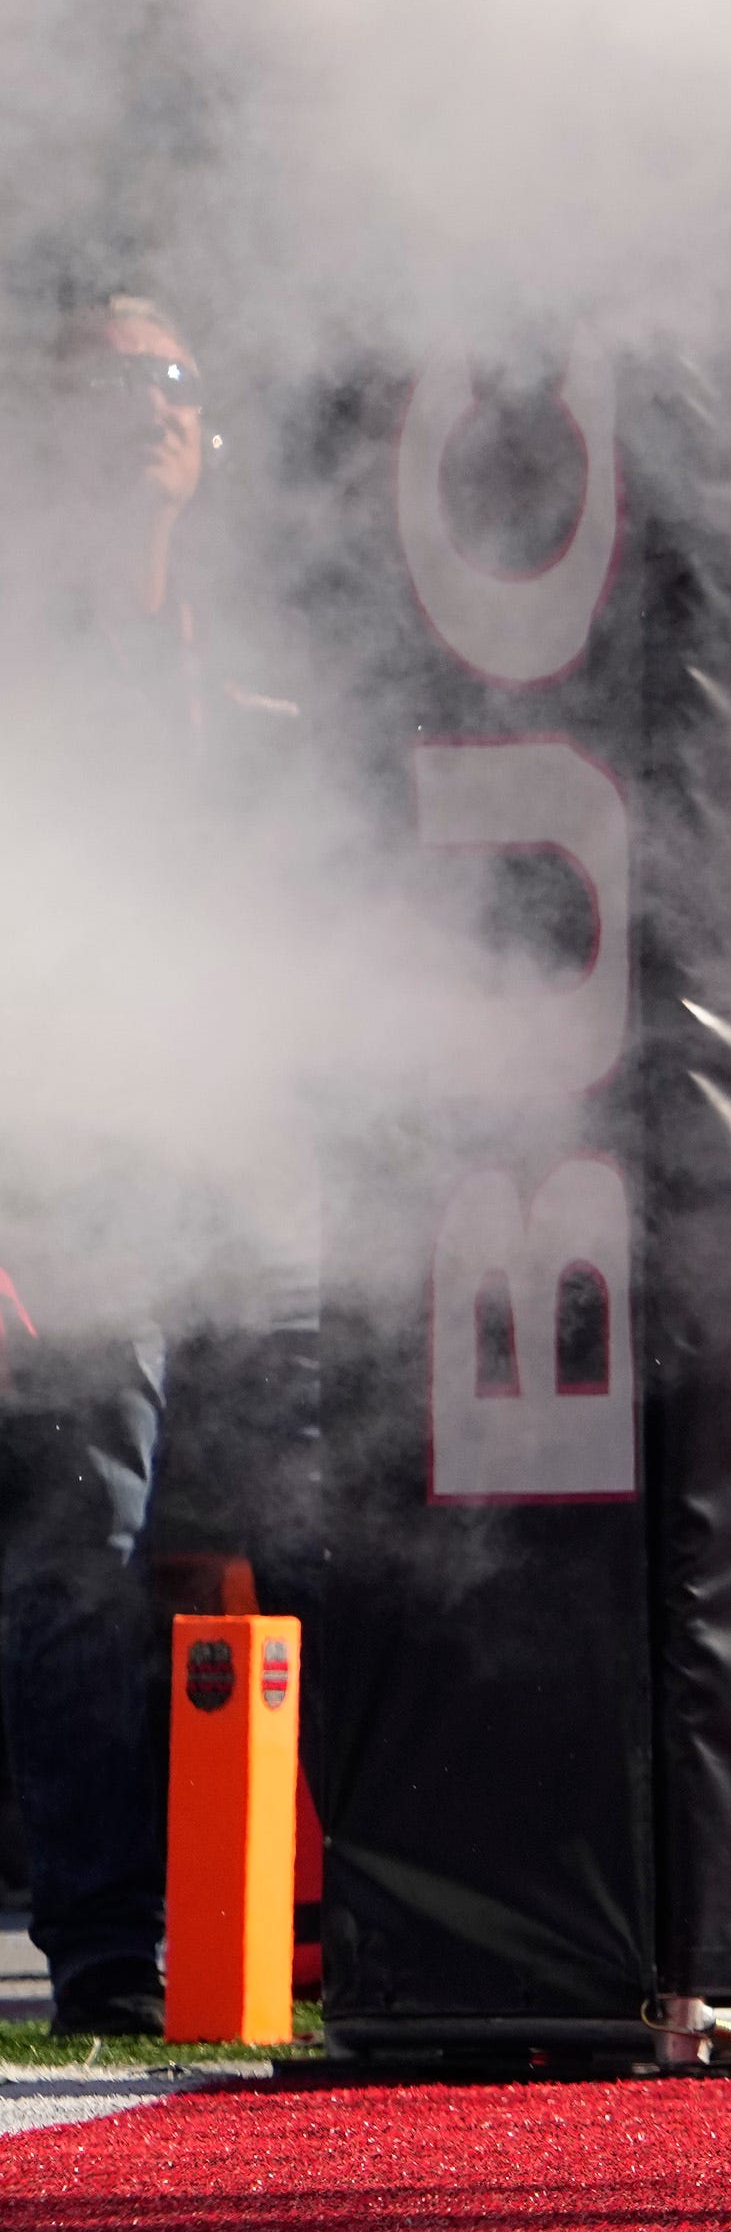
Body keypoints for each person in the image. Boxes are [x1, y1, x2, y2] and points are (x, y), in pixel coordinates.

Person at [0, 299, 294, 2040]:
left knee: (311, 1536)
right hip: (73, 1169)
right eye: (108, 385)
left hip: (261, 1159)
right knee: (80, 1559)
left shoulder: (253, 631)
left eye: (174, 379)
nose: (147, 412)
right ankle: (108, 1950)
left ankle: (330, 1923)